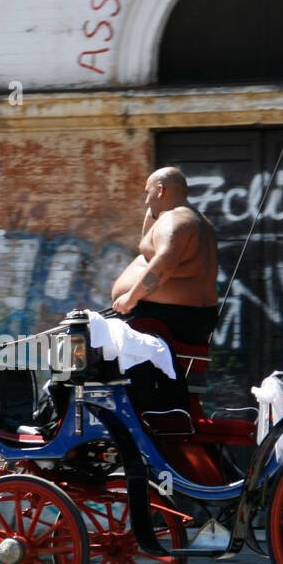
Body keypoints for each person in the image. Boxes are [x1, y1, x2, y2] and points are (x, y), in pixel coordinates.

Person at [109, 166, 220, 413]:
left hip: (164, 317)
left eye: (147, 193)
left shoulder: (175, 219)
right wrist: (152, 214)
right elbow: (148, 246)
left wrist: (130, 297)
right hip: (188, 317)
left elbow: (165, 260)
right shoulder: (197, 221)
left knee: (87, 342)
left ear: (160, 190)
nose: (145, 200)